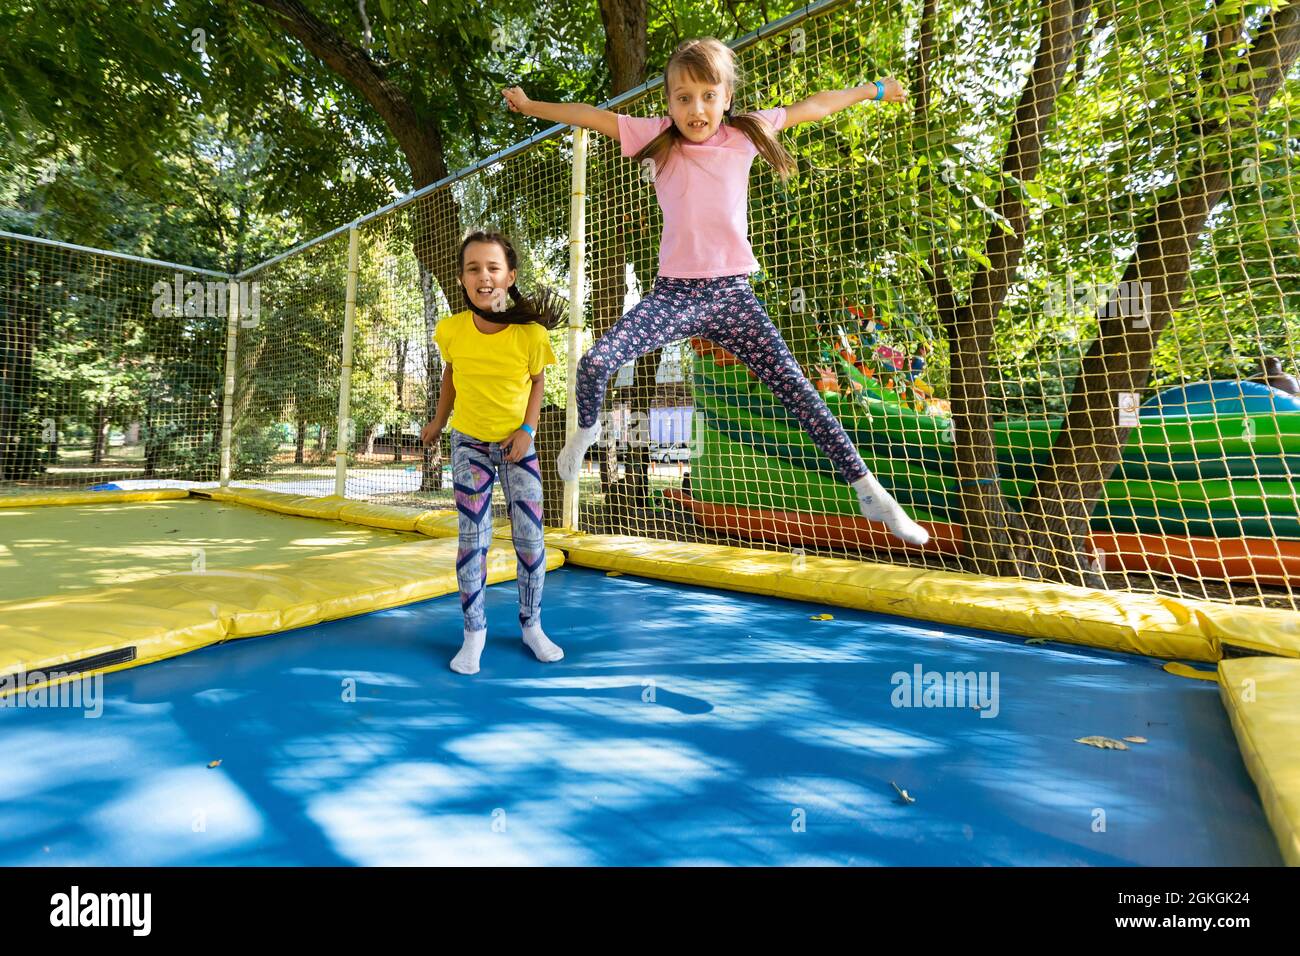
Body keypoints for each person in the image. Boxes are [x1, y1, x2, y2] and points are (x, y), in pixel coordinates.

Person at [502, 37, 928, 545]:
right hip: (673, 295)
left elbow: (814, 106)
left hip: (733, 296)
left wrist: (875, 89)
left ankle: (868, 490)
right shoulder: (655, 136)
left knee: (800, 392)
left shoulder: (748, 132)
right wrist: (529, 106)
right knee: (594, 364)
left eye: (707, 95)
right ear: (668, 104)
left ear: (726, 97)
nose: (695, 108)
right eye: (682, 97)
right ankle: (588, 431)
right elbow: (588, 116)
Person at [420, 230, 563, 675]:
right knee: (472, 541)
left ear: (510, 276)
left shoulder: (531, 335)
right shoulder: (451, 331)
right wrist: (438, 422)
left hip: (517, 445)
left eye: (493, 267)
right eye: (473, 268)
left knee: (531, 539)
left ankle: (531, 625)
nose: (483, 276)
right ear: (462, 279)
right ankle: (474, 633)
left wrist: (527, 429)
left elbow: (538, 382)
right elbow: (451, 375)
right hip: (470, 444)